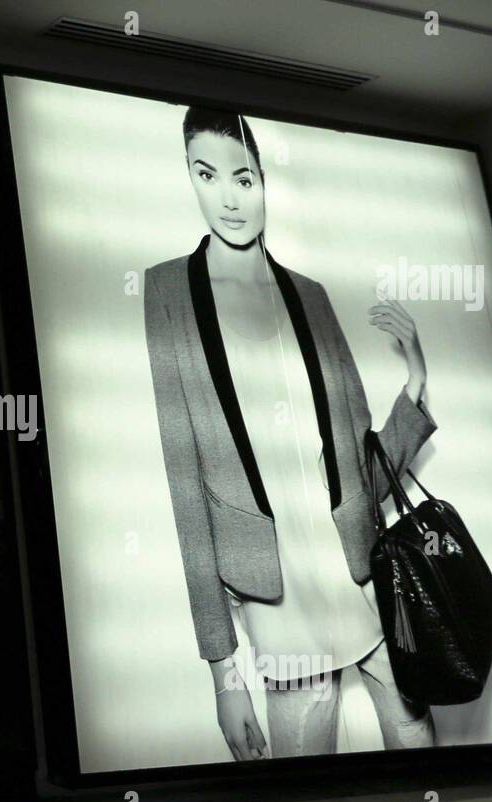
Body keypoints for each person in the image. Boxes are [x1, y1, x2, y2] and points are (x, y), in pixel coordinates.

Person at [143, 107, 437, 761]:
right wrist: (224, 673)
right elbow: (185, 483)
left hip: (358, 569)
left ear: (265, 182)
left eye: (244, 177)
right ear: (188, 177)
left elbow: (365, 466)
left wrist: (414, 384)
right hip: (274, 592)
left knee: (418, 737)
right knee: (308, 783)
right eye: (206, 173)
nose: (228, 197)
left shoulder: (311, 295)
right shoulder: (168, 293)